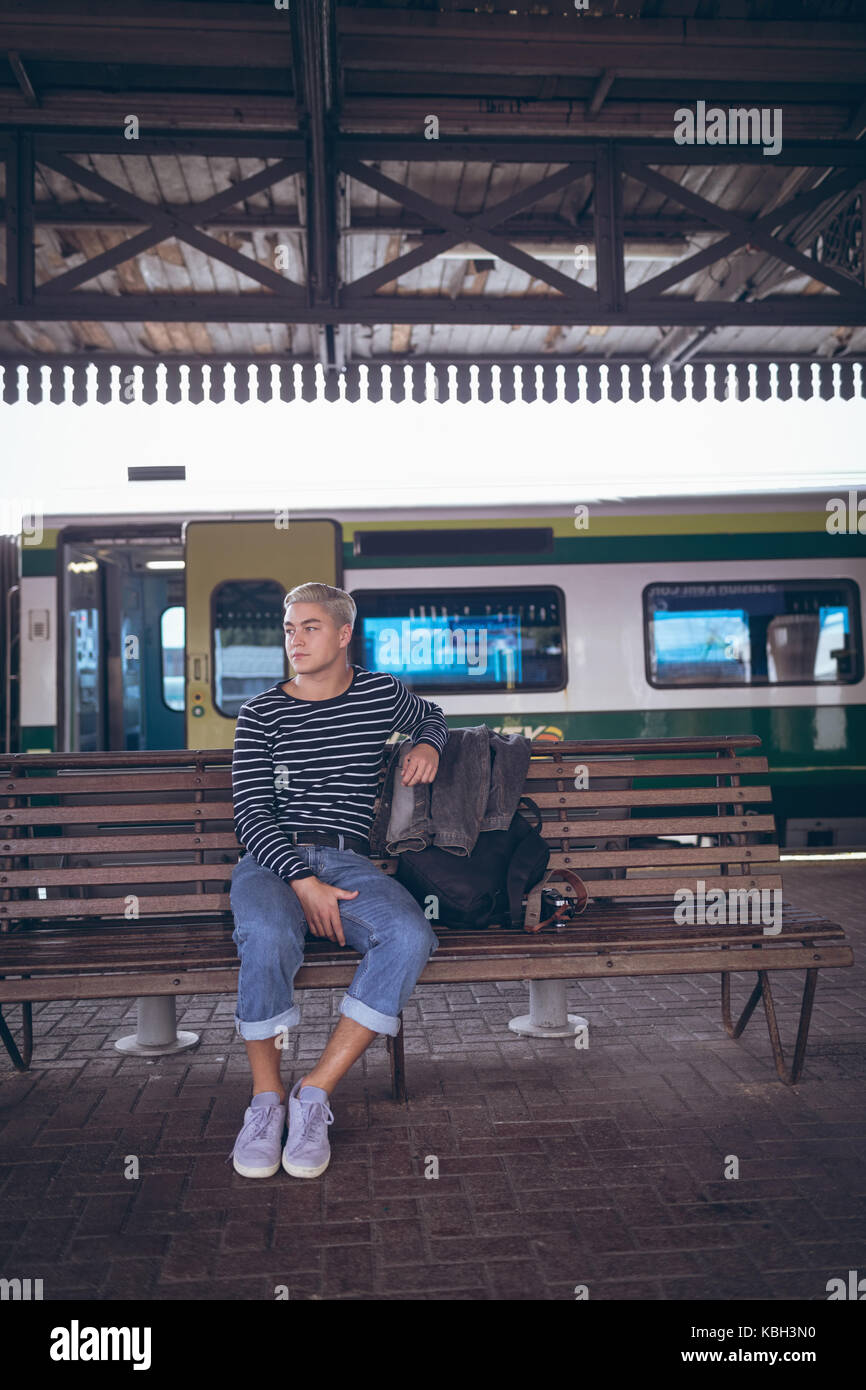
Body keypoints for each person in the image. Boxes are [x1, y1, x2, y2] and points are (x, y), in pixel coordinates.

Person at [228, 581, 447, 1179]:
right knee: (269, 938)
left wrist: (426, 743)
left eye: (310, 627)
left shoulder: (380, 694)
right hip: (271, 862)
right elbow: (250, 811)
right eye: (289, 629)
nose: (294, 640)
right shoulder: (262, 712)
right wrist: (301, 882)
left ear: (344, 633)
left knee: (409, 936)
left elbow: (431, 715)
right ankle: (266, 1103)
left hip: (349, 861)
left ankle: (313, 1095)